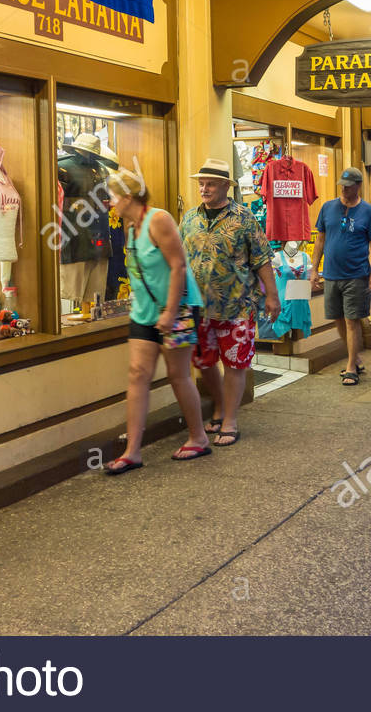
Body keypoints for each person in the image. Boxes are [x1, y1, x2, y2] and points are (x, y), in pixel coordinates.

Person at [103, 170, 213, 475]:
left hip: (175, 309)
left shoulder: (159, 219)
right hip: (144, 312)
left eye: (112, 197)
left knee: (178, 375)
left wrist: (169, 310)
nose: (109, 203)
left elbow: (178, 265)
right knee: (137, 374)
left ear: (127, 198)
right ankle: (132, 451)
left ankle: (198, 437)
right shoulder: (131, 229)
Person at [180, 158, 280, 447]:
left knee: (235, 363)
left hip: (237, 305)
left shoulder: (244, 218)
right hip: (199, 308)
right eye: (201, 182)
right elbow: (180, 259)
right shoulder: (189, 218)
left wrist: (272, 295)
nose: (204, 187)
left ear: (226, 185)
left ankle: (231, 419)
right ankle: (221, 404)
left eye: (210, 182)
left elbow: (262, 258)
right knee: (204, 362)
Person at [310, 167, 371, 386]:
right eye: (342, 185)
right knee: (337, 318)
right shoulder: (328, 208)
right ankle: (356, 357)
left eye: (349, 186)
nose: (344, 189)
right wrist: (314, 269)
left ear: (358, 186)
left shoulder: (368, 212)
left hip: (356, 274)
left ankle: (351, 366)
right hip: (331, 274)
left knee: (352, 320)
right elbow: (320, 240)